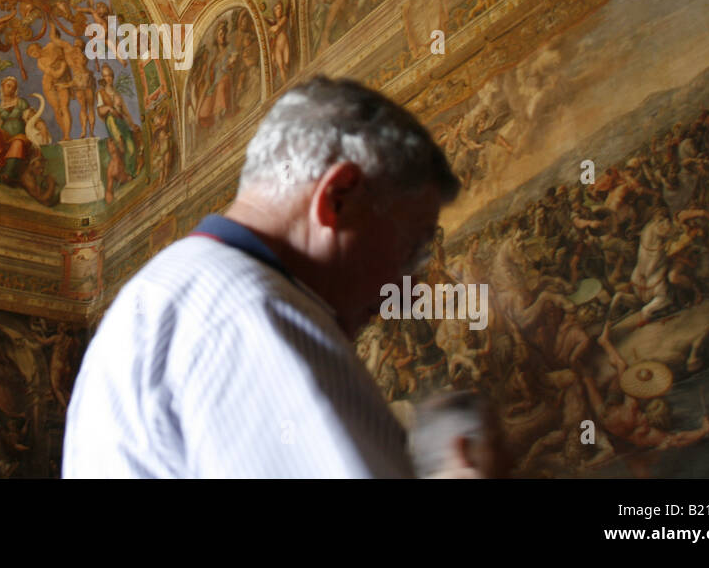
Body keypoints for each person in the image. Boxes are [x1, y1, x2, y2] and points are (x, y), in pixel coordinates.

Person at [63, 76, 460, 477]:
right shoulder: (259, 314)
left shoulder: (157, 296)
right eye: (411, 248)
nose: (404, 285)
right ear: (337, 197)